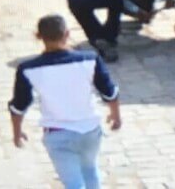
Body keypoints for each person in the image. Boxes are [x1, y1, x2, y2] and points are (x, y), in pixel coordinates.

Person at [8, 15, 121, 189]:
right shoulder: (89, 59)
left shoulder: (28, 69)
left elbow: (19, 106)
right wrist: (115, 115)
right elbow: (109, 92)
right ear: (67, 34)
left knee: (73, 183)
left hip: (58, 133)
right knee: (90, 170)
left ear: (38, 36)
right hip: (90, 130)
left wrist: (17, 132)